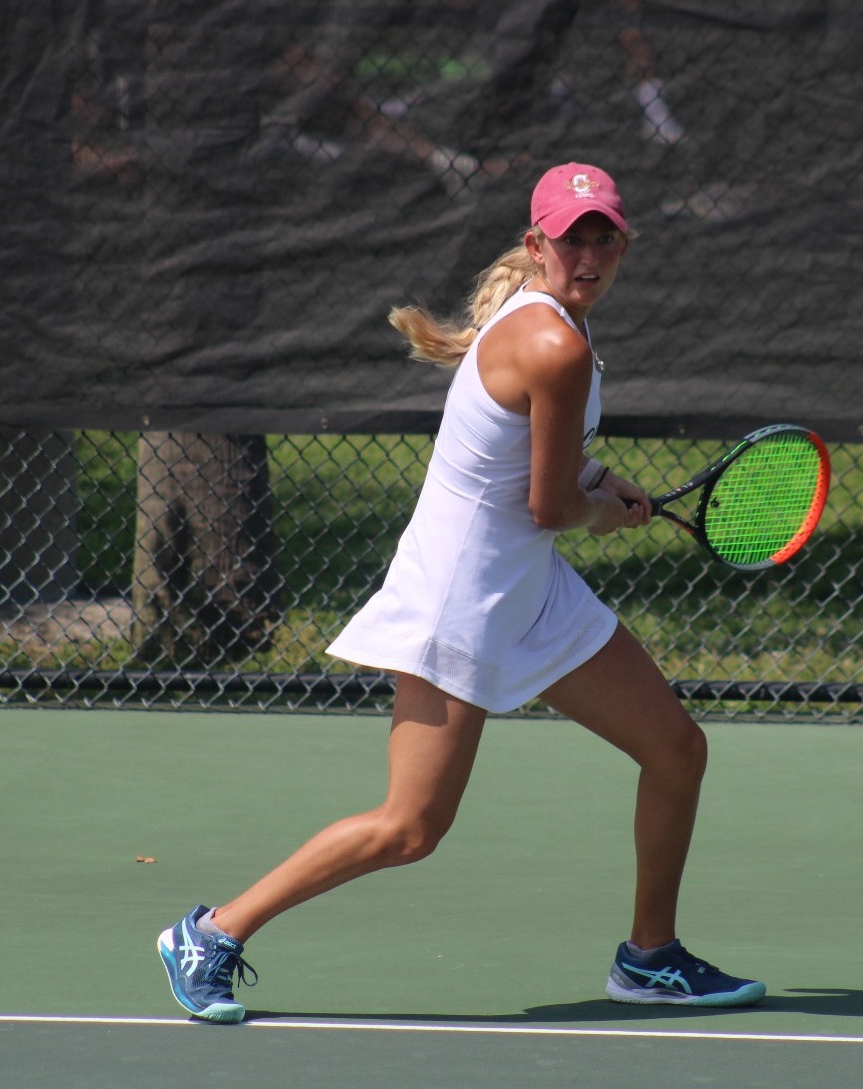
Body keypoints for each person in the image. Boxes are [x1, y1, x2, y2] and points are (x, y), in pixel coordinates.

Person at [155, 162, 765, 1023]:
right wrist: (600, 513)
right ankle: (211, 932)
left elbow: (530, 453)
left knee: (676, 749)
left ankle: (651, 956)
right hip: (462, 600)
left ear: (622, 243)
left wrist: (604, 478)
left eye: (604, 236)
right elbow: (549, 504)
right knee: (411, 827)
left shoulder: (557, 329)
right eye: (570, 237)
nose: (588, 252)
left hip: (529, 588)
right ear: (536, 245)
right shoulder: (555, 343)